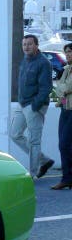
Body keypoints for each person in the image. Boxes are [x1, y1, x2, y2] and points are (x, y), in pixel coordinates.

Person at [10, 34, 54, 178]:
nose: (26, 47)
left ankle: (33, 173)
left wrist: (35, 106)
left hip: (34, 105)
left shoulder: (44, 63)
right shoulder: (25, 60)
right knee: (15, 134)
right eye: (24, 44)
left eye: (29, 44)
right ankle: (44, 160)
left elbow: (46, 88)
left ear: (36, 45)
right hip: (22, 104)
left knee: (34, 141)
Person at [52, 42, 72, 190]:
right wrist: (61, 89)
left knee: (64, 144)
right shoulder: (66, 69)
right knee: (64, 145)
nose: (68, 55)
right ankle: (67, 178)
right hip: (64, 109)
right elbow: (60, 90)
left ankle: (67, 178)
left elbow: (65, 88)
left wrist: (61, 88)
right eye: (66, 52)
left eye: (70, 52)